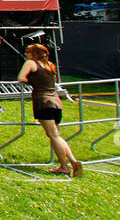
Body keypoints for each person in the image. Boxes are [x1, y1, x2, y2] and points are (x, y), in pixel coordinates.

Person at [18, 43, 82, 177]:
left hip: (43, 102)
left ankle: (68, 164)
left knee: (53, 136)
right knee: (56, 135)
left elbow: (21, 78)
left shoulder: (31, 63)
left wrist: (33, 81)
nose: (25, 54)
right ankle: (71, 162)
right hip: (56, 102)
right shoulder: (50, 66)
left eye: (28, 52)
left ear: (34, 54)